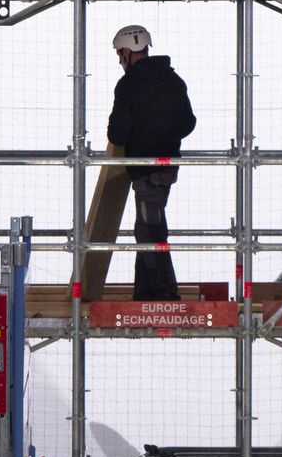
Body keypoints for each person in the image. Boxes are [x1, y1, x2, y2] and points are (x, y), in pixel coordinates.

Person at [76, 23, 195, 299]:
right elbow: (187, 123)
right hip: (166, 167)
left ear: (128, 52)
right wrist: (164, 133)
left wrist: (141, 134)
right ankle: (144, 292)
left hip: (144, 170)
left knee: (150, 229)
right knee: (146, 226)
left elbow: (117, 133)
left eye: (120, 54)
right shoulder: (173, 80)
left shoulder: (128, 84)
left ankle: (165, 294)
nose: (120, 59)